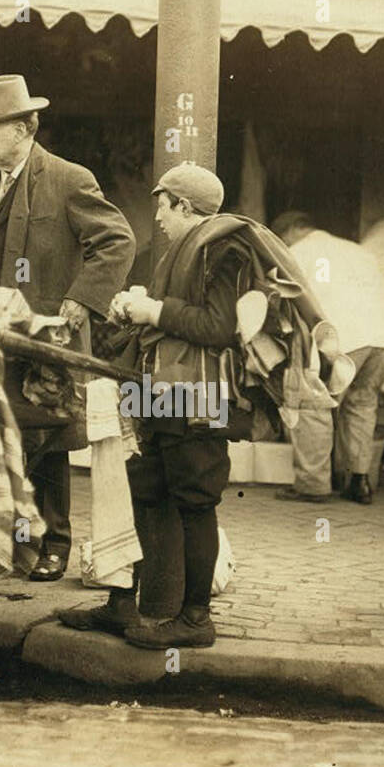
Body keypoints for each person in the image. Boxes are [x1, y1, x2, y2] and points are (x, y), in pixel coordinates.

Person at [0, 74, 135, 582]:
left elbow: (117, 240)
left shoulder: (67, 179)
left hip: (43, 337)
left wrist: (82, 299)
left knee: (47, 438)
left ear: (24, 127)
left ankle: (54, 543)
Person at [58, 164, 253, 649]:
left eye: (163, 206)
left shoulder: (224, 250)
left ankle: (195, 619)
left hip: (197, 396)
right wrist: (142, 306)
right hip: (161, 393)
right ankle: (123, 603)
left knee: (194, 503)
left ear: (185, 206)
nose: (159, 218)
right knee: (143, 492)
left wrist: (154, 310)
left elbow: (219, 327)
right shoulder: (184, 250)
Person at [270, 211, 384, 504]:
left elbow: (283, 300)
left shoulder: (297, 251)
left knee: (312, 404)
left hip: (341, 335)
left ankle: (312, 484)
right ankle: (359, 481)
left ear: (292, 230)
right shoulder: (357, 251)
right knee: (361, 404)